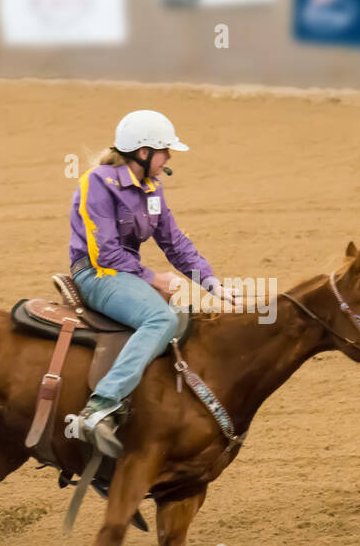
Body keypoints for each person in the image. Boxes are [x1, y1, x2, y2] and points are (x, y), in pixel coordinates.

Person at [67, 109, 238, 457]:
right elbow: (104, 252)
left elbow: (175, 243)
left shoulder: (152, 190)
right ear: (143, 152)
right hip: (97, 274)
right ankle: (99, 406)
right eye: (165, 150)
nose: (170, 157)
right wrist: (152, 277)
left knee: (184, 320)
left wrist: (212, 284)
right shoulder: (97, 182)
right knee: (160, 319)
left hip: (126, 275)